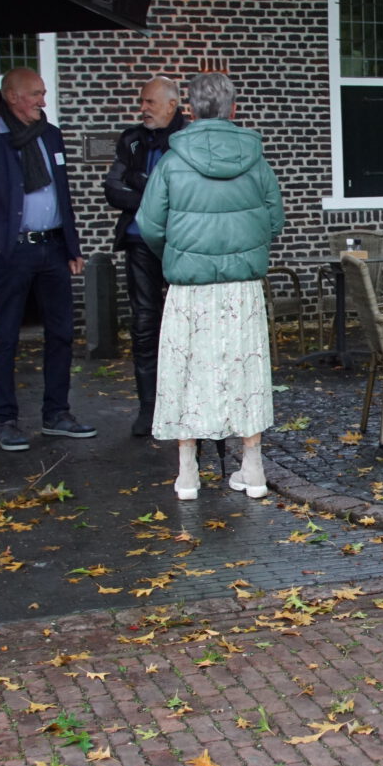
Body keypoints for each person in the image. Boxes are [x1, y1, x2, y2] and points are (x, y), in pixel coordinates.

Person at [135, 72, 282, 500]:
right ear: (233, 110)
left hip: (190, 289)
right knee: (246, 372)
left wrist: (179, 253)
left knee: (187, 372)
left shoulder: (172, 161)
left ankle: (187, 475)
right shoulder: (257, 160)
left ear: (191, 111)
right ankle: (252, 469)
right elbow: (275, 220)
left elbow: (149, 224)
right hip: (242, 288)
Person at [0, 67, 96, 452]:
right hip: (13, 250)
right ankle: (6, 420)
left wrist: (73, 246)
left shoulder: (51, 135)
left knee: (62, 333)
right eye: (36, 94)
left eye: (43, 93)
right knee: (5, 337)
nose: (43, 101)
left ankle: (57, 414)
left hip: (53, 248)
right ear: (12, 96)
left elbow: (62, 197)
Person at [104, 76, 188, 436]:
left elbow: (187, 194)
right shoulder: (132, 139)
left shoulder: (188, 142)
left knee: (185, 323)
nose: (144, 109)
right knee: (143, 324)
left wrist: (141, 185)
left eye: (150, 102)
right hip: (139, 242)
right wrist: (155, 199)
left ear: (172, 104)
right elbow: (112, 189)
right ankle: (148, 408)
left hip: (180, 243)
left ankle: (185, 403)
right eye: (143, 102)